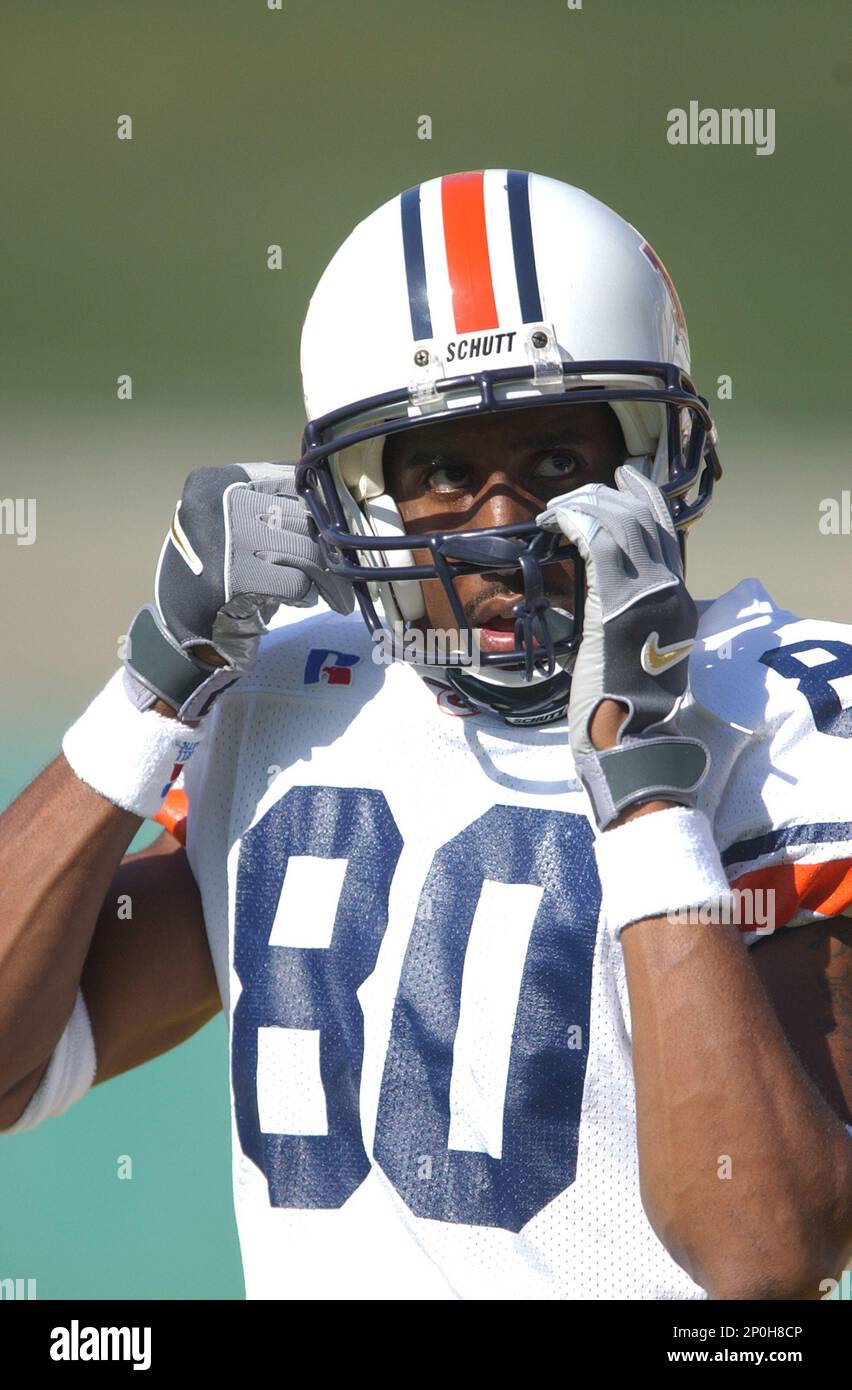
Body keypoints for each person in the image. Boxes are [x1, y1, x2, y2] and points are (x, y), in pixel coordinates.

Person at [1, 170, 851, 1301]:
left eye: (557, 463)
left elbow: (767, 1254)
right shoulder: (302, 695)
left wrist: (647, 793)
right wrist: (151, 688)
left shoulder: (780, 706)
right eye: (447, 472)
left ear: (648, 458)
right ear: (365, 500)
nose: (506, 537)